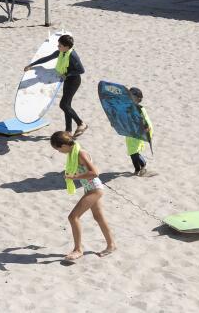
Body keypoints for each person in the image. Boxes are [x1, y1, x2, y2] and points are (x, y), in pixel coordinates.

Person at [50, 131, 115, 261]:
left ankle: (78, 250)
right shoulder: (73, 153)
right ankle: (111, 245)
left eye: (58, 149)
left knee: (73, 217)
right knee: (98, 217)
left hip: (94, 189)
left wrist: (74, 177)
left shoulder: (80, 154)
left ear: (64, 145)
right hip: (89, 188)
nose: (58, 152)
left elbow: (95, 172)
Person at [24, 34, 87, 137]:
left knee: (63, 105)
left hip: (74, 81)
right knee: (67, 106)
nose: (58, 47)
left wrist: (67, 74)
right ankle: (68, 131)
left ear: (67, 47)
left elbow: (81, 70)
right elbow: (47, 58)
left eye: (60, 45)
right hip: (67, 80)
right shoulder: (61, 52)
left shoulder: (72, 56)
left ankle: (81, 124)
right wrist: (31, 65)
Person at [125, 87, 156, 177]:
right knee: (131, 151)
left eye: (132, 96)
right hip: (130, 132)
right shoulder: (128, 108)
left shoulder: (140, 109)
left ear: (138, 99)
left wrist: (147, 128)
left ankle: (143, 164)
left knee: (134, 151)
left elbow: (145, 120)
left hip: (139, 132)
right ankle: (137, 168)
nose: (130, 98)